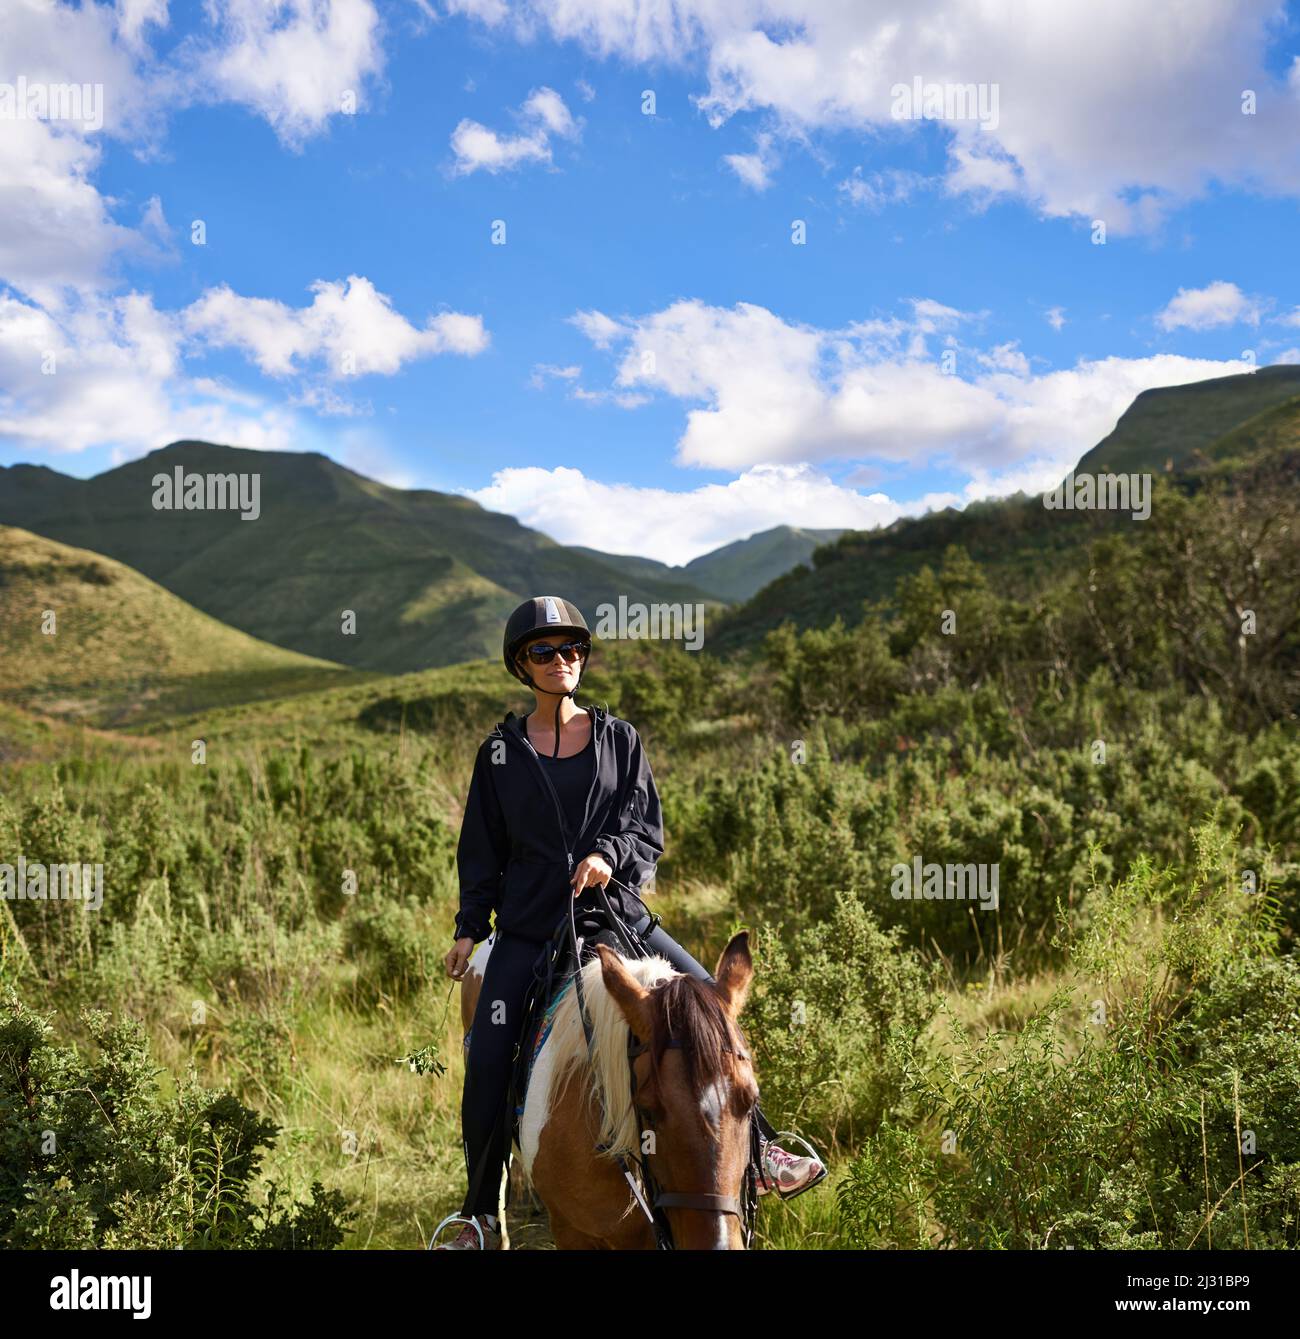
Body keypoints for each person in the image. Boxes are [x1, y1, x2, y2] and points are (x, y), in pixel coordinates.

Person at [437, 596, 825, 1249]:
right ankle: (479, 1212)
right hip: (533, 925)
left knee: (711, 1005)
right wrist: (470, 926)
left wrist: (605, 855)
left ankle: (762, 1153)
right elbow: (481, 848)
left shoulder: (620, 738)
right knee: (492, 1050)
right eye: (545, 651)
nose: (563, 661)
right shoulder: (499, 753)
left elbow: (644, 826)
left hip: (617, 917)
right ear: (520, 664)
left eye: (572, 649)